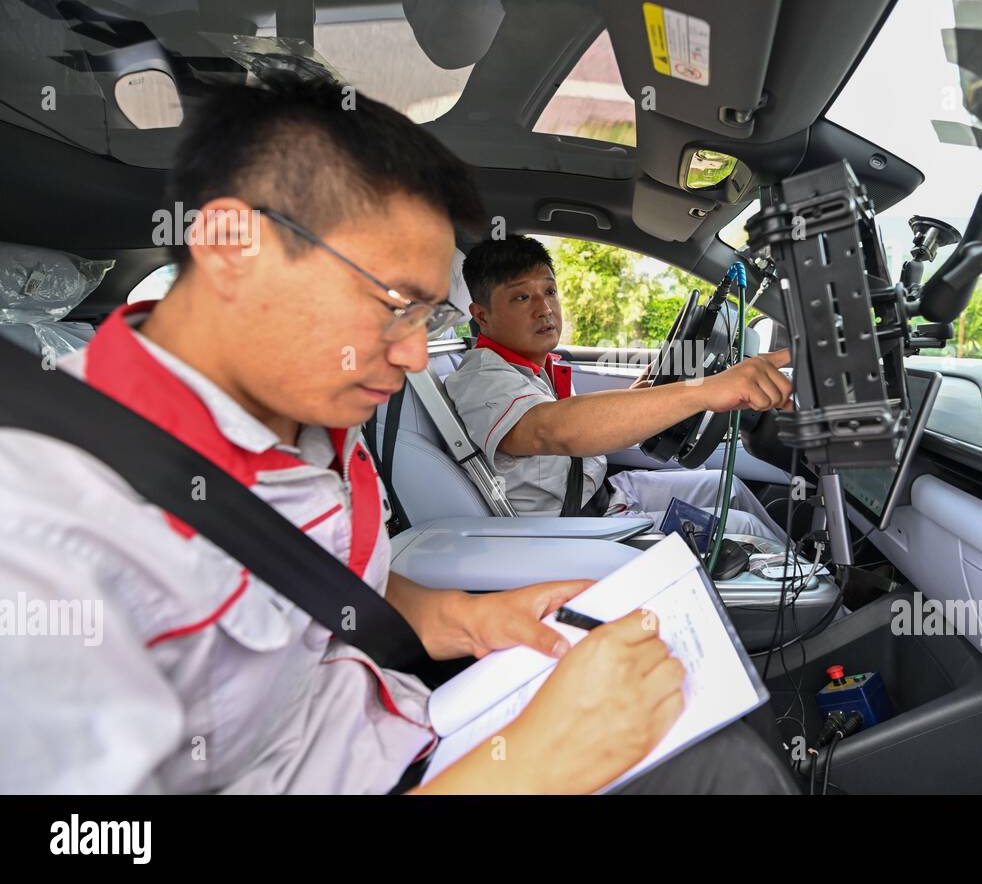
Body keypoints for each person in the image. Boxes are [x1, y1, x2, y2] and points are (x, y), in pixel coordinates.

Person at [0, 74, 796, 795]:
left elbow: (324, 597)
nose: (418, 354)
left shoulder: (310, 427)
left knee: (719, 729)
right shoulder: (38, 544)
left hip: (406, 732)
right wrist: (533, 768)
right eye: (394, 302)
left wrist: (465, 616)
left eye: (428, 314)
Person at [443, 235, 791, 543]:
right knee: (745, 527)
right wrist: (703, 391)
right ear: (482, 315)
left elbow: (582, 431)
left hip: (605, 494)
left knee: (724, 486)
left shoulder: (535, 365)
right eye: (521, 297)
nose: (545, 308)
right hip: (573, 531)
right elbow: (552, 431)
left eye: (549, 291)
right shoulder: (481, 378)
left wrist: (641, 397)